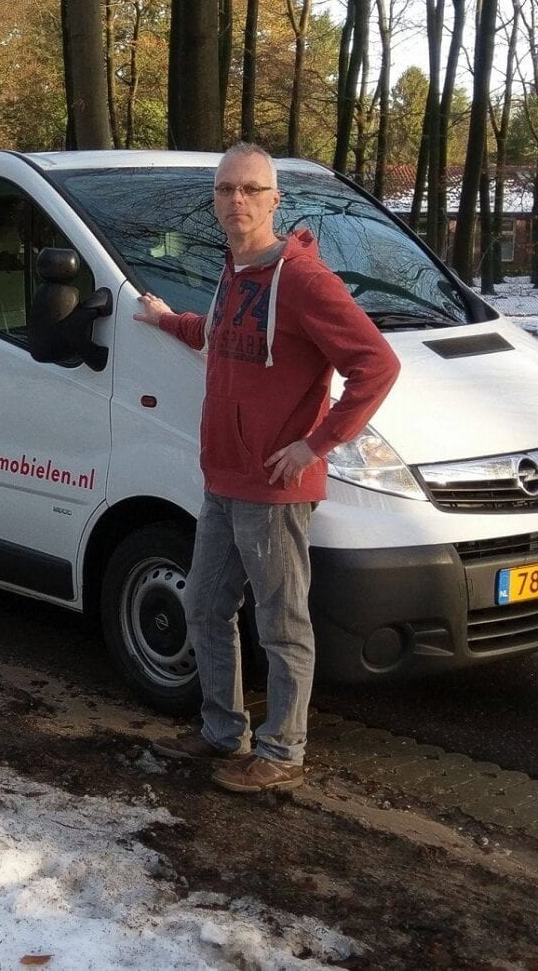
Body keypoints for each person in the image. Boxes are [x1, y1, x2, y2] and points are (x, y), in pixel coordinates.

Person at [135, 142, 400, 793]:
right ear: (215, 200)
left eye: (251, 189)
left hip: (276, 488)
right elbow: (220, 336)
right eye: (226, 189)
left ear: (275, 199)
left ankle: (282, 752)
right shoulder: (235, 270)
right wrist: (168, 321)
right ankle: (224, 732)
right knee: (204, 606)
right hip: (224, 478)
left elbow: (377, 365)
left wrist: (316, 444)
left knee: (282, 626)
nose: (237, 201)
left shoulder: (303, 279)